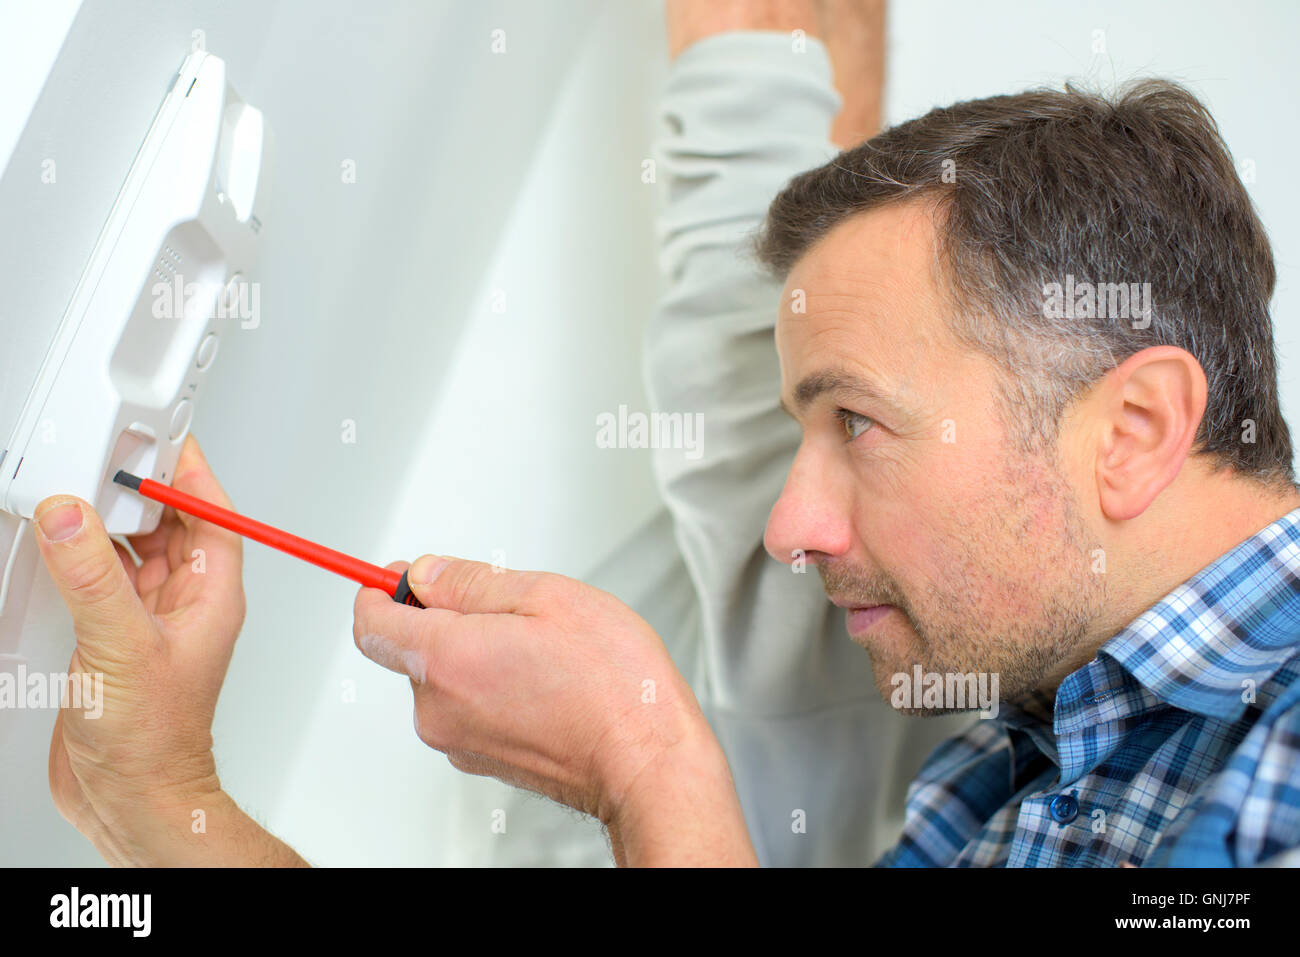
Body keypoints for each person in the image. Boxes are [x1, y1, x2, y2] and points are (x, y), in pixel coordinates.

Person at [32, 0, 1300, 867]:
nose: (790, 527)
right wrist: (168, 805)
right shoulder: (1000, 771)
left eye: (856, 421)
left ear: (1132, 430)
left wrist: (647, 767)